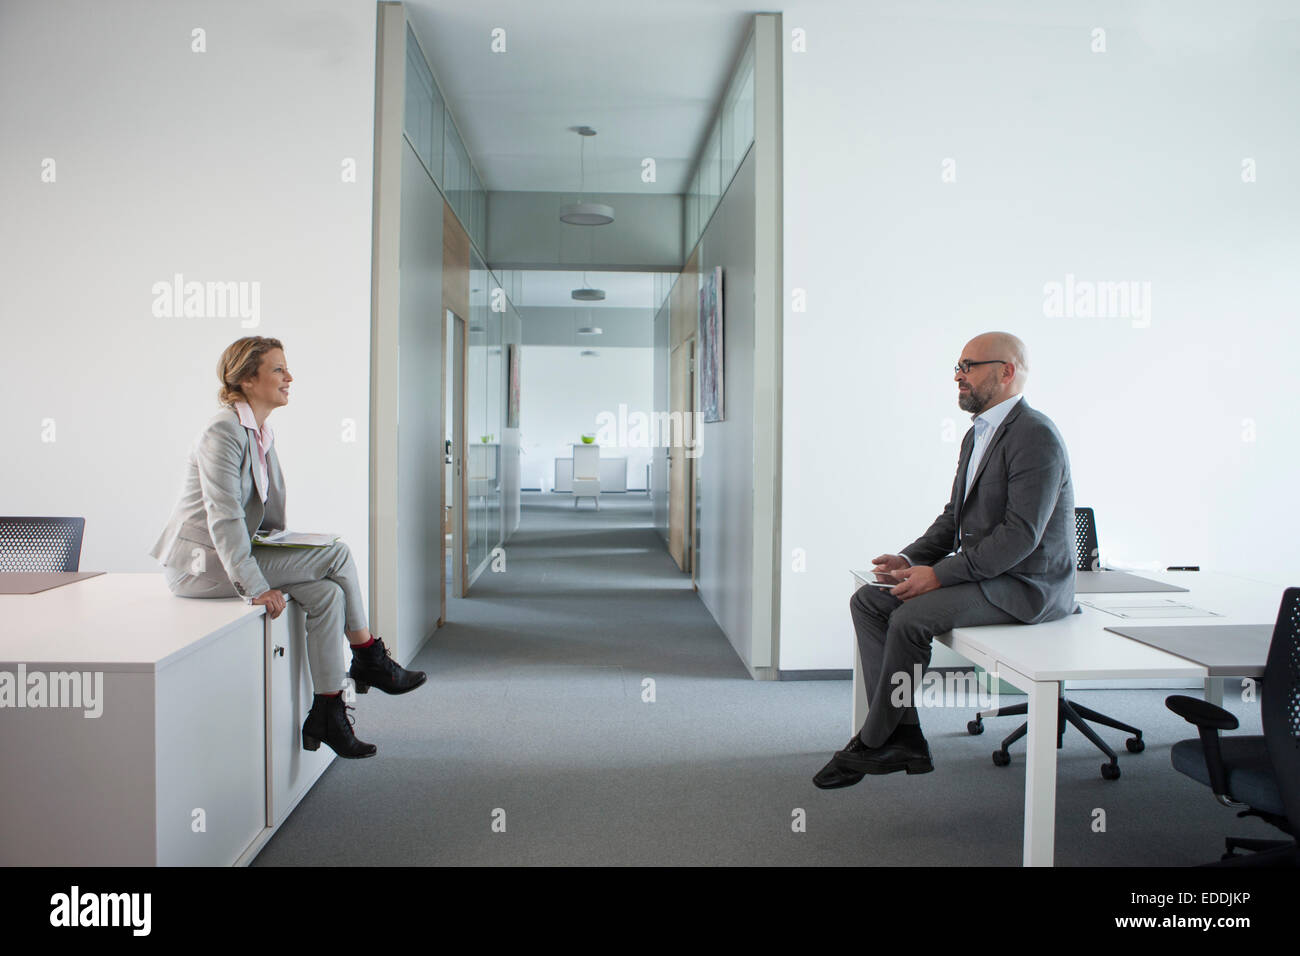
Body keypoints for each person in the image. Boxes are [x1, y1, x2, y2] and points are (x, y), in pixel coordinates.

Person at [814, 332, 1077, 788]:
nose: (959, 375)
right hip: (986, 576)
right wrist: (908, 558)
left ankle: (875, 739)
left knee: (911, 617)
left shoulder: (1036, 436)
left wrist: (937, 575)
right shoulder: (978, 436)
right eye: (957, 366)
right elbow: (953, 517)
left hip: (1026, 586)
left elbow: (1020, 537)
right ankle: (905, 733)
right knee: (870, 602)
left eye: (969, 366)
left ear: (1007, 371)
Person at [150, 336, 425, 759]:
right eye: (278, 369)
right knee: (338, 553)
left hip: (234, 555)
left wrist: (288, 550)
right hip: (200, 567)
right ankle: (368, 655)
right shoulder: (221, 431)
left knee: (329, 593)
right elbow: (223, 516)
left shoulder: (260, 431)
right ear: (245, 378)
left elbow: (267, 513)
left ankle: (328, 710)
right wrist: (256, 585)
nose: (289, 377)